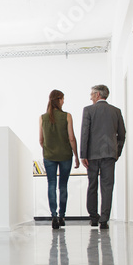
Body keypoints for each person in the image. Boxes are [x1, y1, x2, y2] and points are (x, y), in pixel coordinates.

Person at [79, 84, 126, 230]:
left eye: (92, 94)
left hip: (92, 155)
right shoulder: (116, 111)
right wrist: (116, 152)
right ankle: (104, 220)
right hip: (109, 154)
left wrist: (83, 155)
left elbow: (85, 134)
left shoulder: (88, 110)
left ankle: (94, 218)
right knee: (107, 187)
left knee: (92, 185)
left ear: (98, 95)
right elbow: (122, 134)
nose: (91, 97)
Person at [38, 89, 79, 229]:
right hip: (65, 156)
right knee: (63, 186)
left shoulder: (42, 118)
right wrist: (77, 157)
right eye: (62, 99)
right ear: (58, 100)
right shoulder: (67, 116)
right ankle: (62, 216)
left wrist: (49, 149)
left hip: (49, 156)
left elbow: (41, 140)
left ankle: (53, 216)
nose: (63, 101)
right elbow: (72, 138)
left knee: (51, 184)